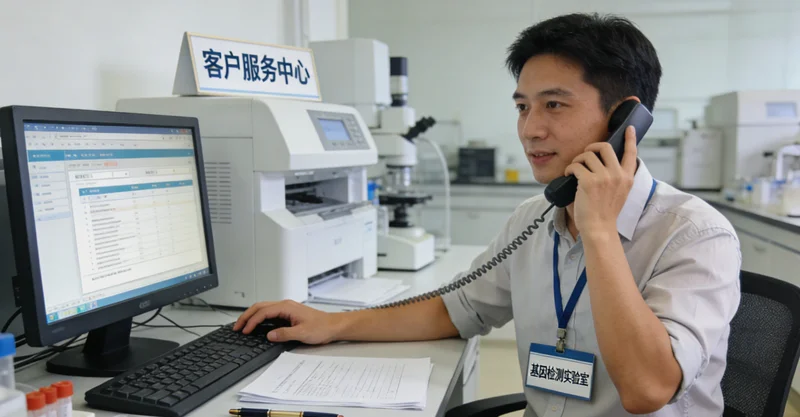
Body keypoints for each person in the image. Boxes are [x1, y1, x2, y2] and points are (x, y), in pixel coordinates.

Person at [234, 13, 741, 417]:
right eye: (523, 107)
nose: (530, 129)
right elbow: (455, 309)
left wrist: (600, 231)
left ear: (624, 120)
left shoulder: (694, 235)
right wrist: (333, 324)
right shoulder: (533, 219)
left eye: (554, 106)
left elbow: (648, 389)